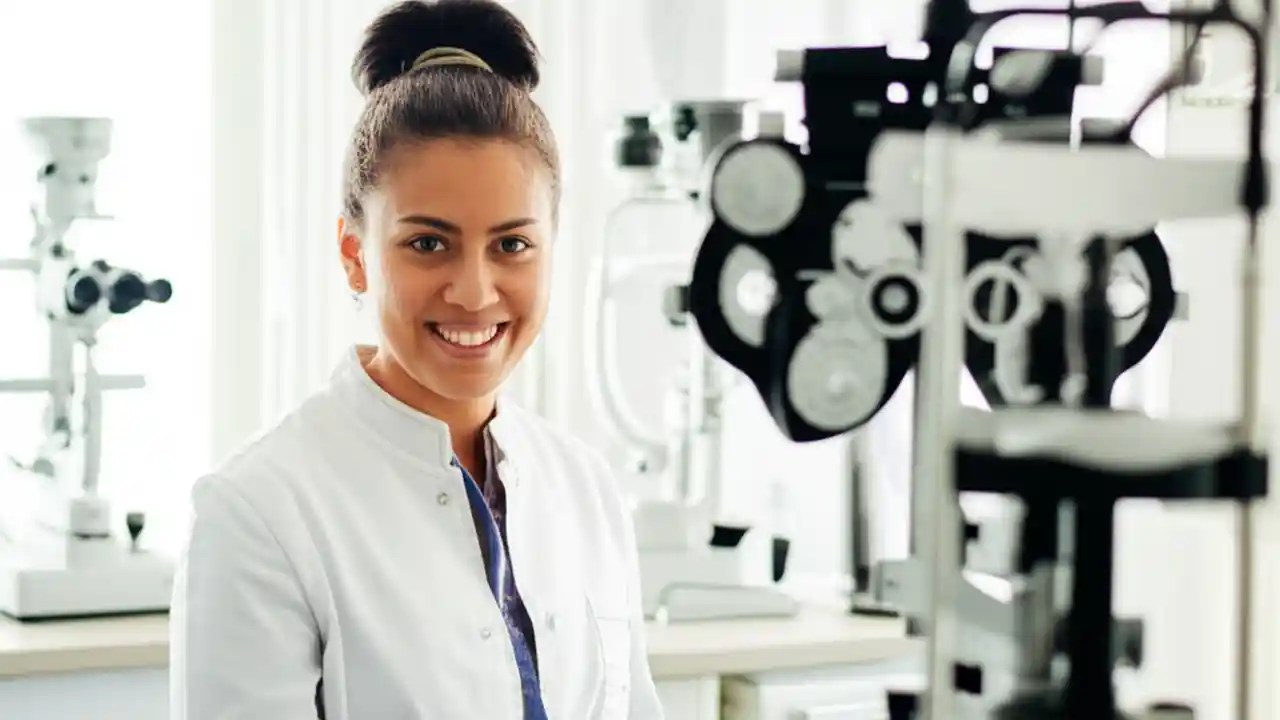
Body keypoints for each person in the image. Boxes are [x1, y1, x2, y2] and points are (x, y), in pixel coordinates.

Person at [170, 1, 664, 717]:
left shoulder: (586, 489)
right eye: (428, 243)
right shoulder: (258, 514)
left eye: (512, 244)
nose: (473, 291)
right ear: (354, 254)